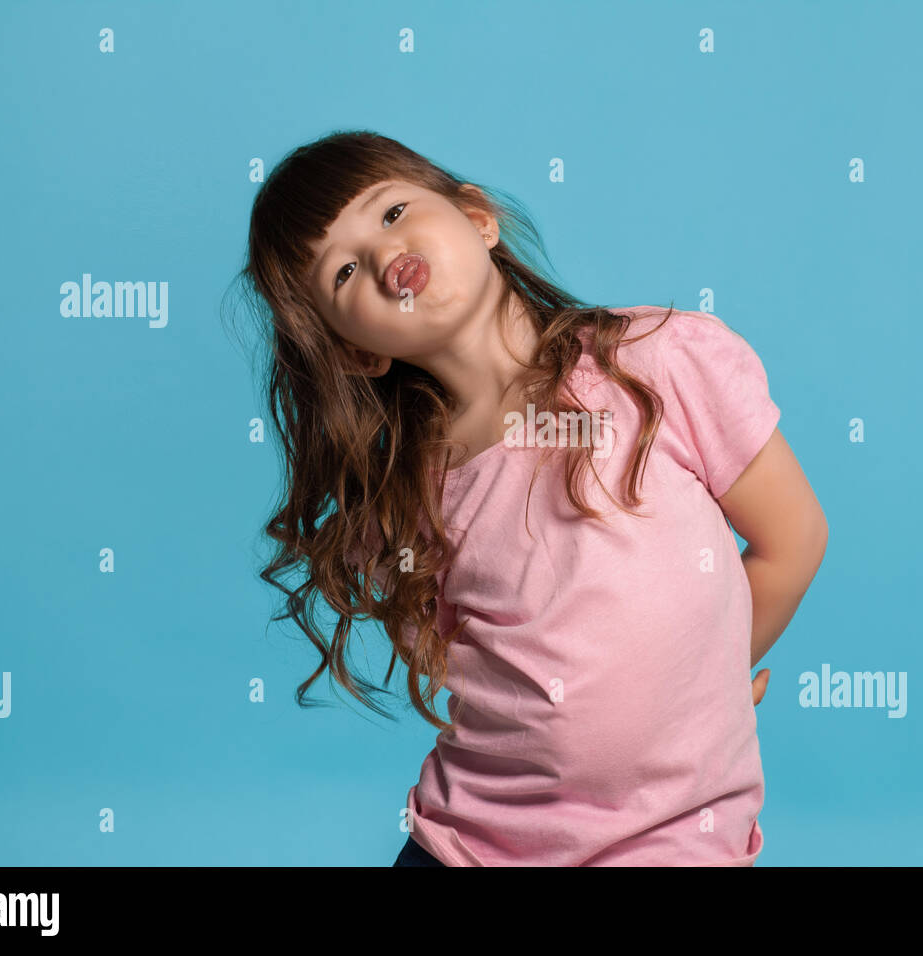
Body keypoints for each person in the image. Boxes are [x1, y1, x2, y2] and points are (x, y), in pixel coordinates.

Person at [236, 129, 828, 866]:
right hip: (471, 844)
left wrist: (701, 685)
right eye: (345, 270)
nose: (386, 256)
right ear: (359, 350)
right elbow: (457, 664)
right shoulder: (406, 500)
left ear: (477, 219)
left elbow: (794, 537)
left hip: (671, 839)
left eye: (391, 213)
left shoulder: (653, 365)